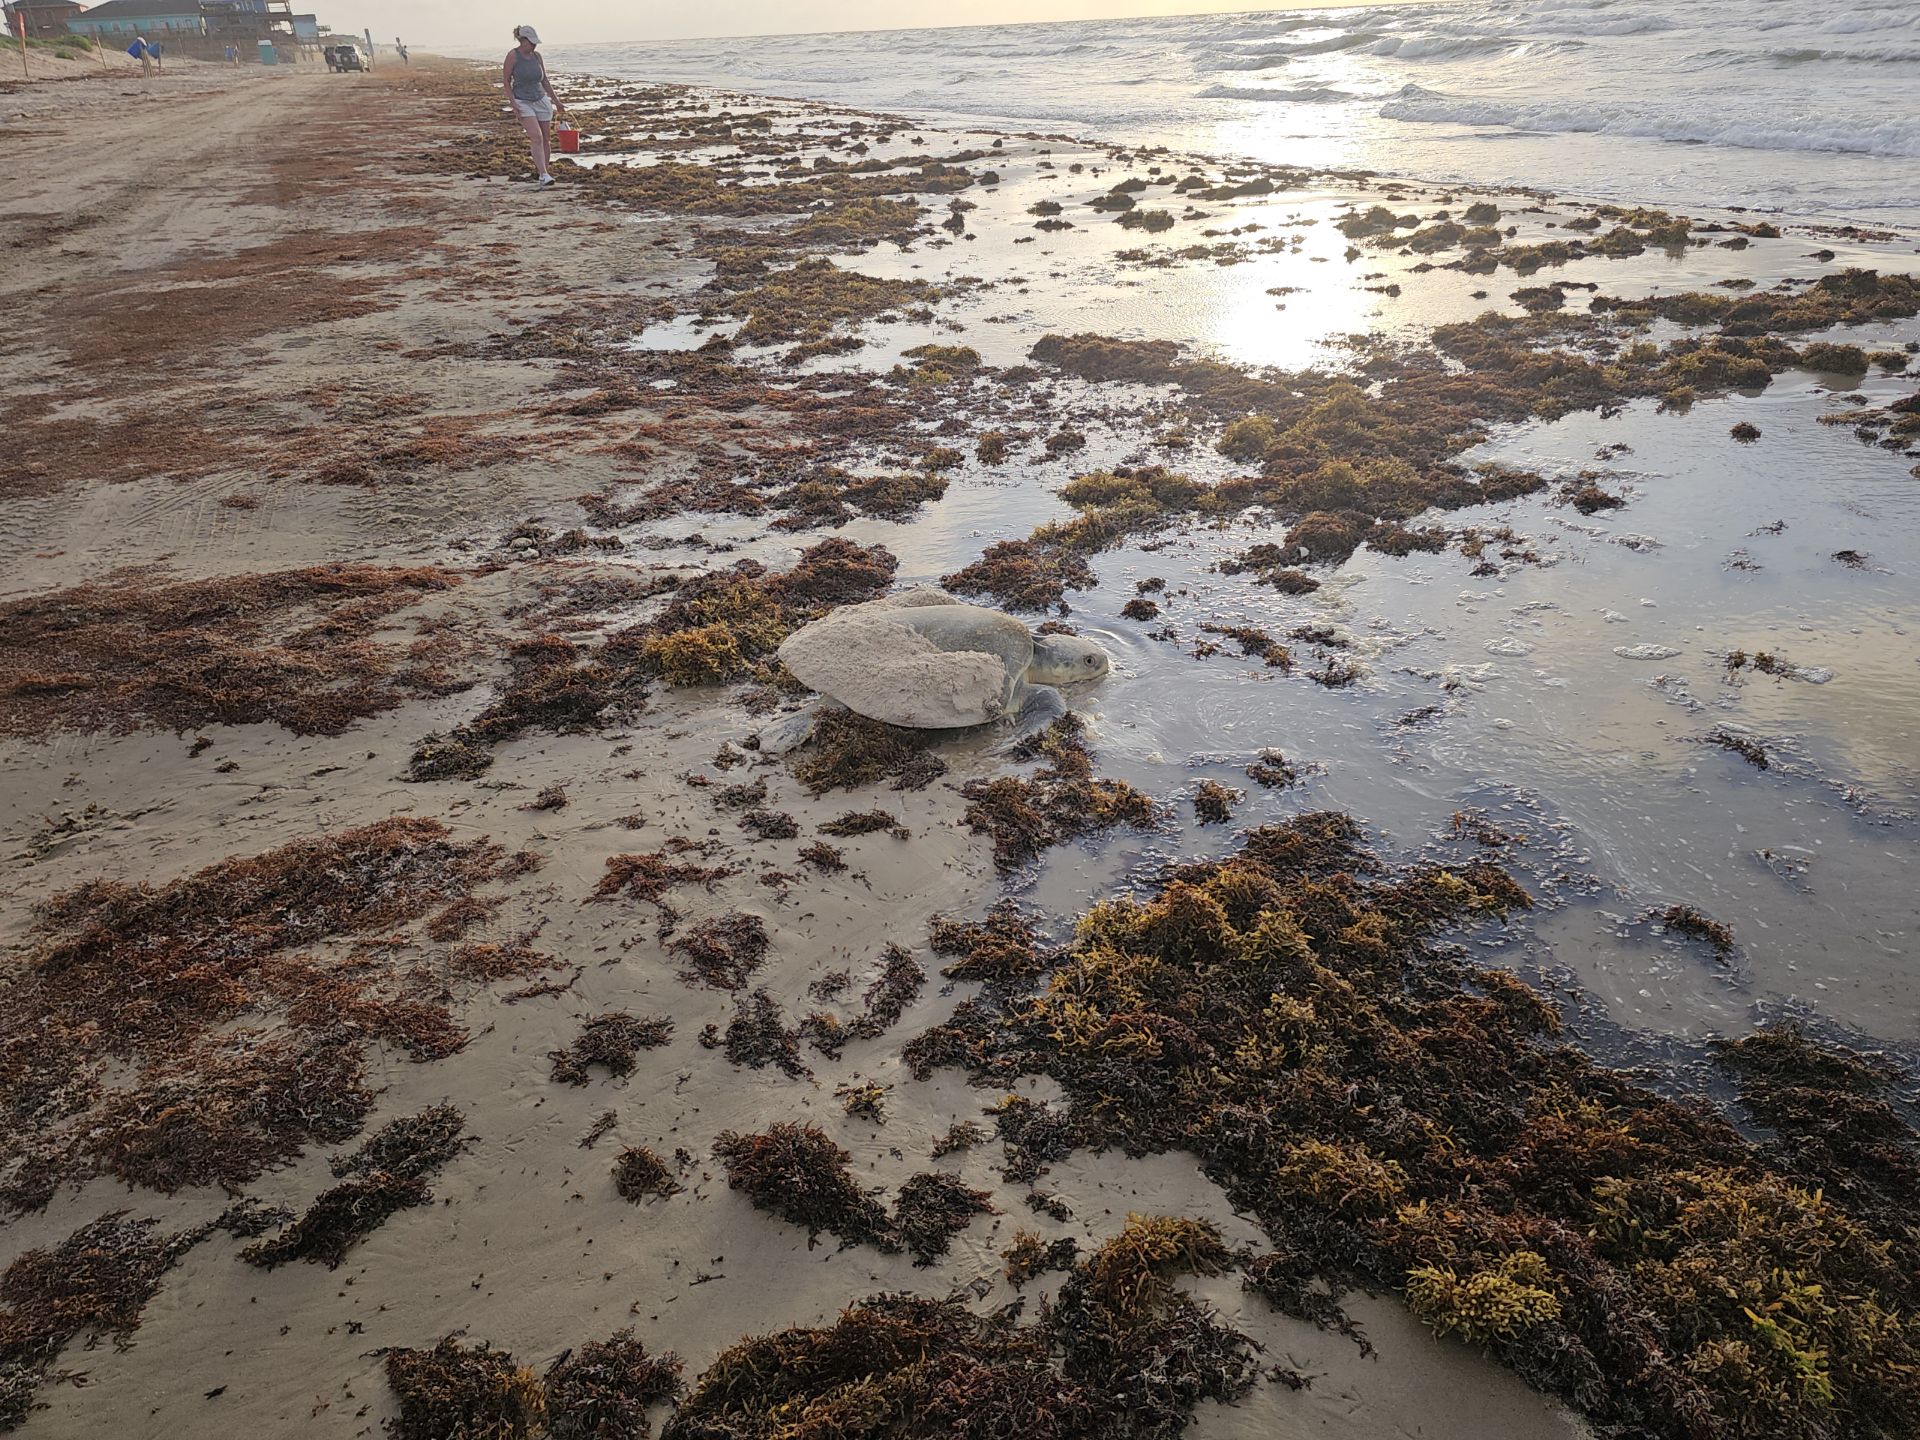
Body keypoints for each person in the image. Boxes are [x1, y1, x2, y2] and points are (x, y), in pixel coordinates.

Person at [503, 25, 565, 187]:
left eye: (535, 43)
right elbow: (506, 81)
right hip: (522, 101)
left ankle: (544, 172)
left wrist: (556, 101)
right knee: (536, 137)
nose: (534, 45)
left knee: (546, 139)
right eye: (531, 42)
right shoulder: (513, 56)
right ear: (523, 40)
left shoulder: (537, 56)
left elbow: (544, 80)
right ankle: (544, 175)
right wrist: (513, 104)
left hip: (541, 100)